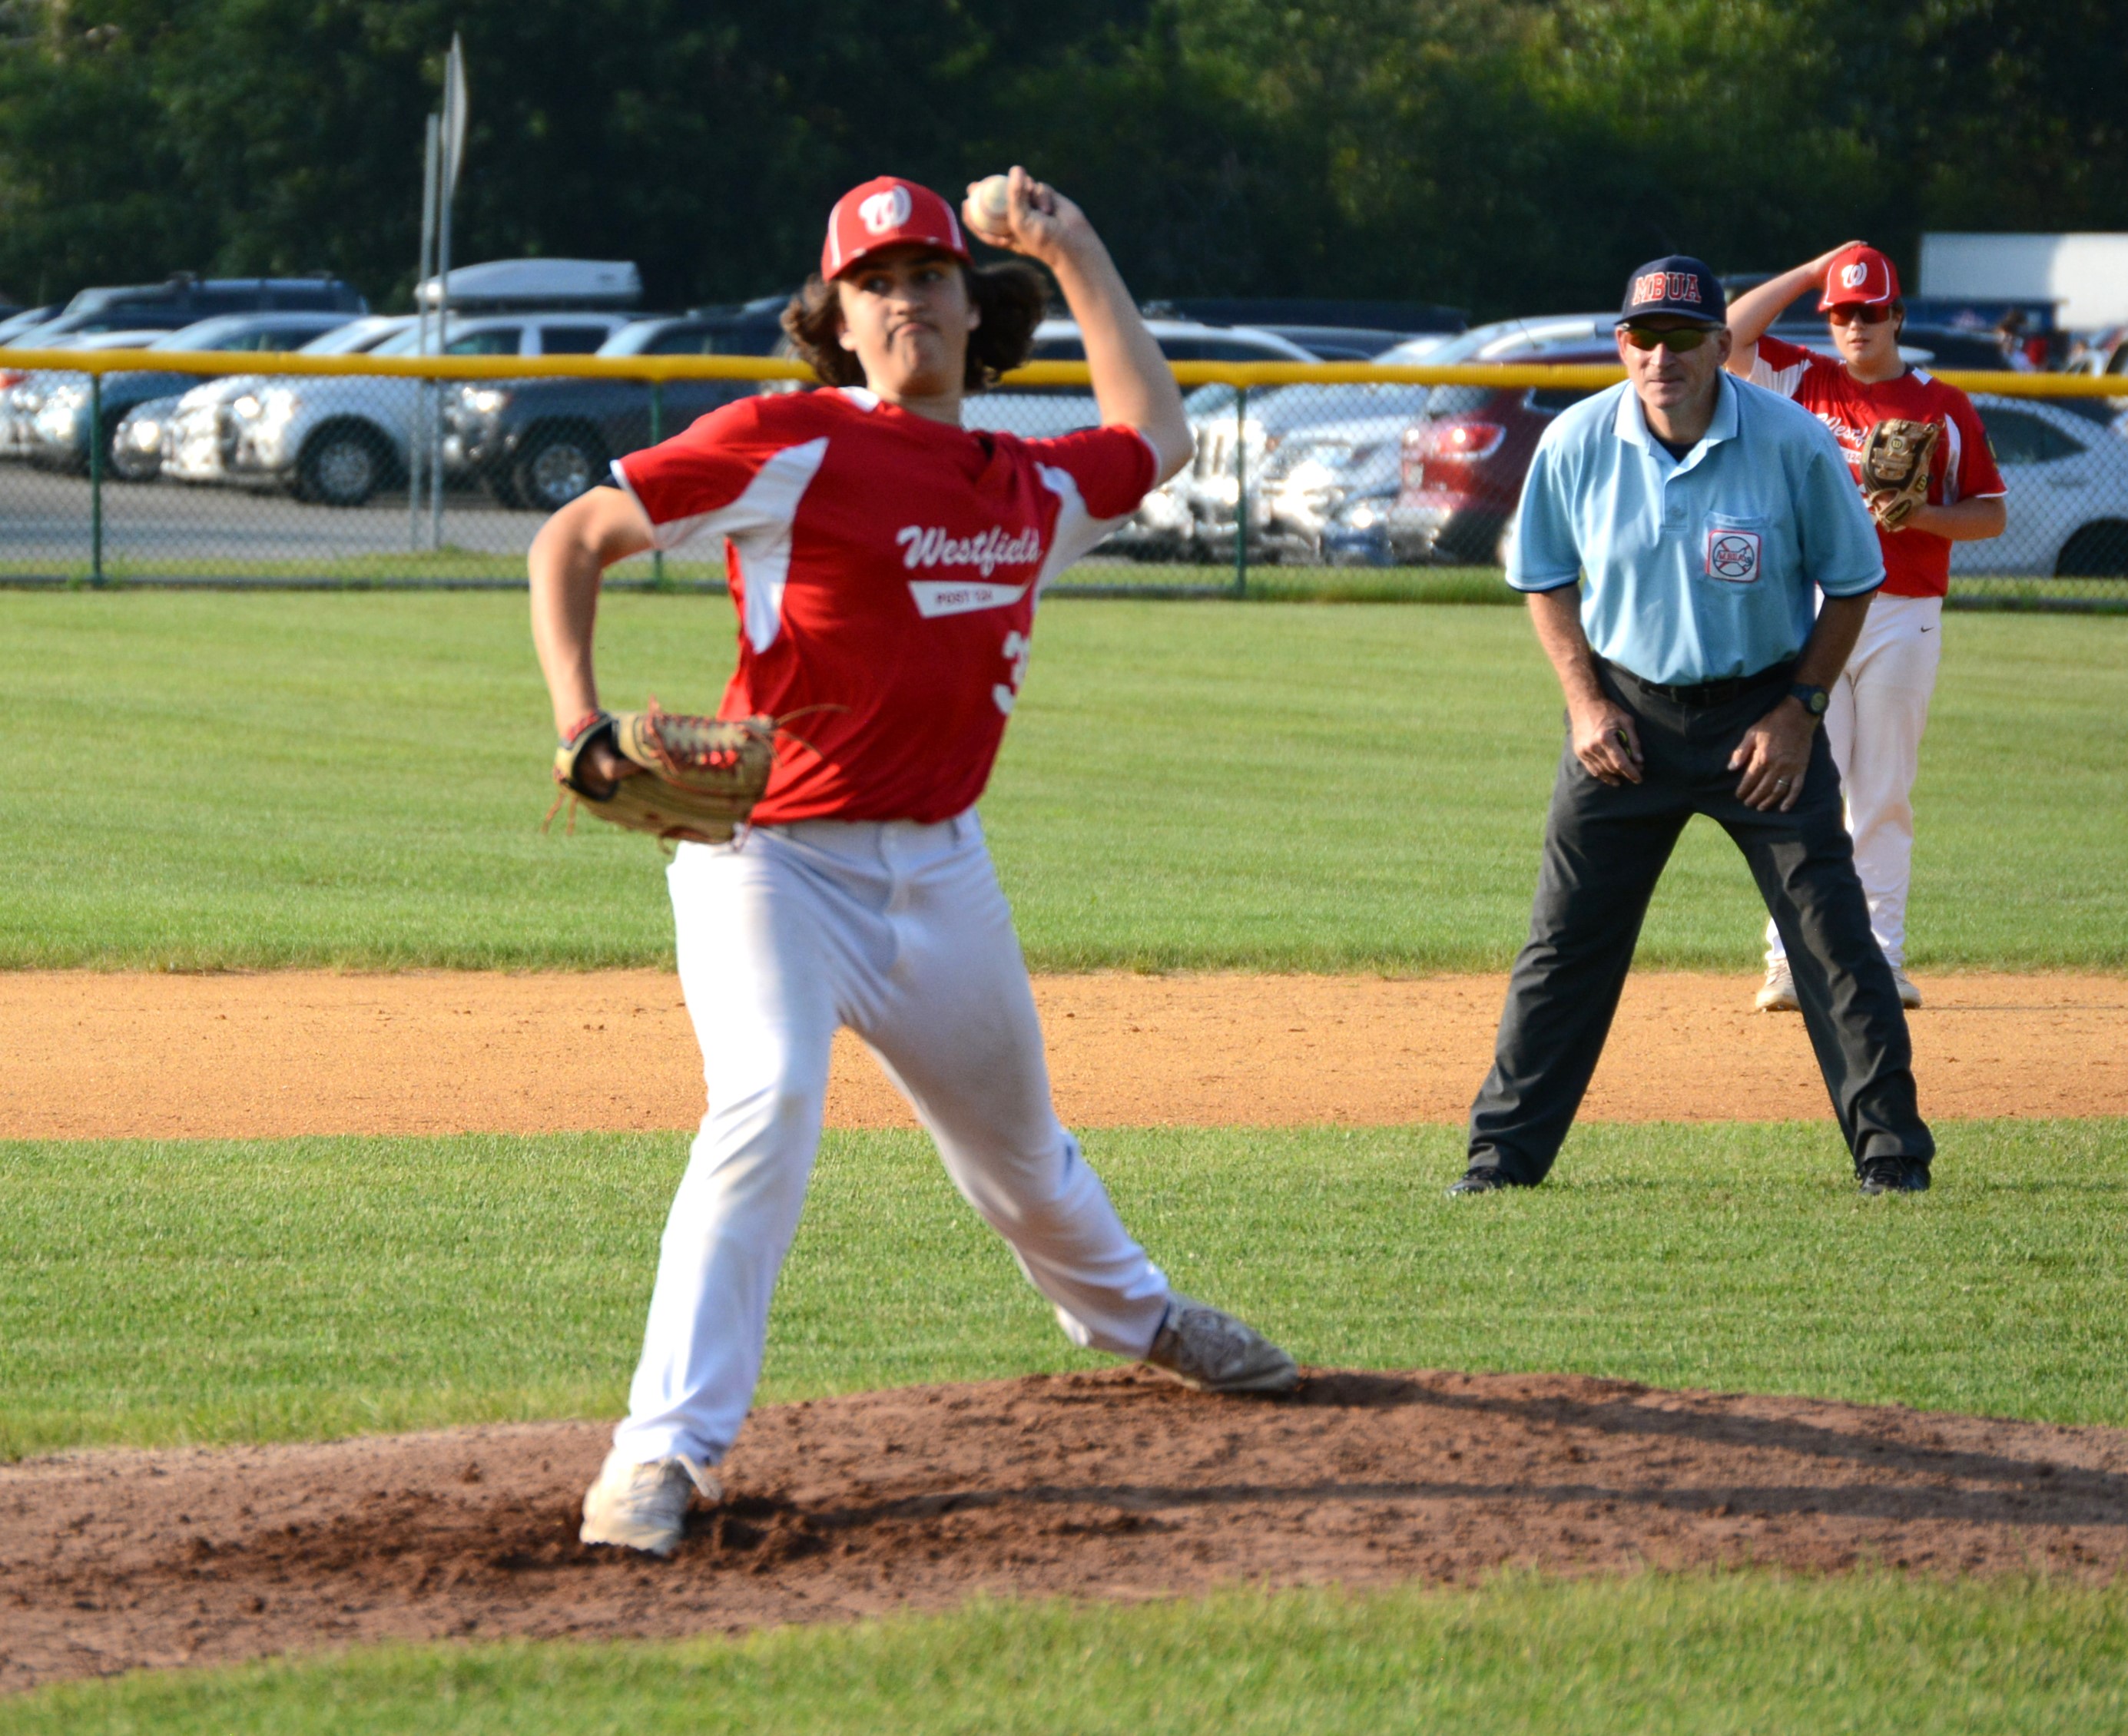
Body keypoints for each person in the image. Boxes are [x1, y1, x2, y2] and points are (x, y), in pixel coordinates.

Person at [529, 170, 1299, 1559]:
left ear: (968, 301)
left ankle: (1138, 1319)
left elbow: (1158, 434)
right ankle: (659, 1456)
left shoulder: (1028, 484)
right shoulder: (789, 441)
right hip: (773, 867)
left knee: (1023, 1158)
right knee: (765, 1104)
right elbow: (573, 536)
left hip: (943, 872)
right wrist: (580, 721)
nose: (905, 302)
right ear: (835, 317)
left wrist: (1072, 241)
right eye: (874, 284)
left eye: (928, 275)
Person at [1452, 256, 1935, 1200]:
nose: (1660, 355)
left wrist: (1798, 713)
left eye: (1682, 337)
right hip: (1623, 723)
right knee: (1564, 947)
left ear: (1722, 344)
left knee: (1834, 937)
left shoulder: (1791, 442)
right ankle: (1498, 1163)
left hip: (1763, 718)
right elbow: (1544, 578)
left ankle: (1891, 1157)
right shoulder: (1575, 441)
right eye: (1642, 335)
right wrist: (1587, 704)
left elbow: (1852, 580)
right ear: (1621, 343)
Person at [1725, 244, 2007, 1012]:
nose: (1853, 324)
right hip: (1809, 610)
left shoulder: (1942, 405)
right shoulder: (1800, 382)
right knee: (1797, 786)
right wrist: (1818, 271)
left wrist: (1922, 513)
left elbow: (1991, 513)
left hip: (1903, 611)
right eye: (1840, 313)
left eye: (1867, 310)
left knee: (1881, 792)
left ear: (1896, 316)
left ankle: (1880, 958)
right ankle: (1787, 963)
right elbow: (1728, 335)